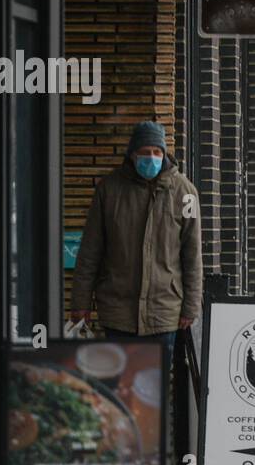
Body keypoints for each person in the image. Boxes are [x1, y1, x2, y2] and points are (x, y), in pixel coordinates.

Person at [70, 120, 202, 367]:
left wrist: (191, 307)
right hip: (117, 311)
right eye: (144, 153)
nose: (151, 158)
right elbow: (90, 252)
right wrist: (80, 303)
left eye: (157, 152)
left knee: (156, 388)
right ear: (132, 154)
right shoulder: (109, 190)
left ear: (164, 154)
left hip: (164, 310)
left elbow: (192, 254)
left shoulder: (186, 193)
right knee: (120, 383)